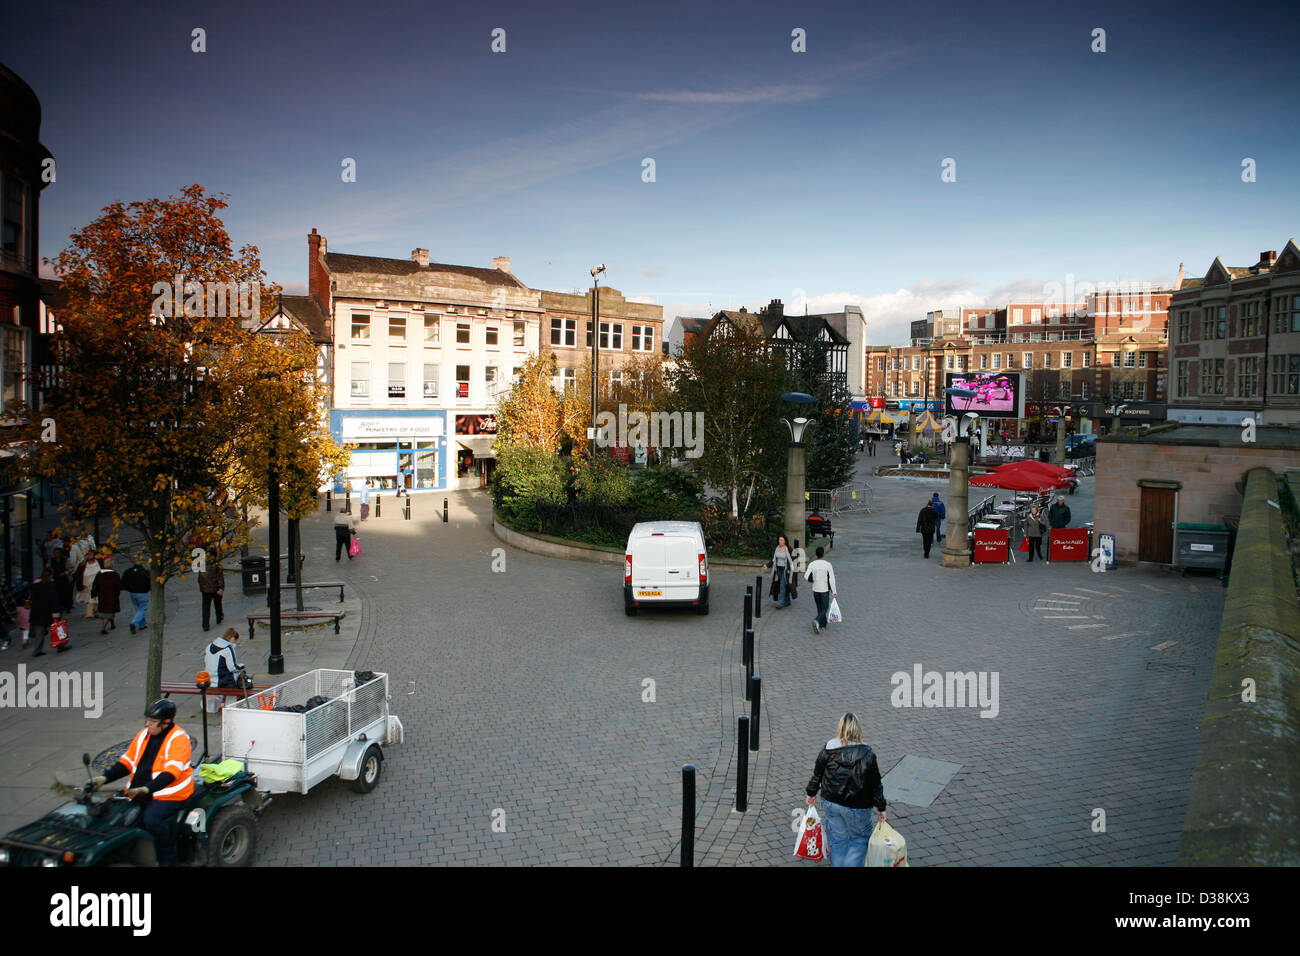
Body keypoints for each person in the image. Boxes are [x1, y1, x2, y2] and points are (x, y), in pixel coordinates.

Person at [92, 699, 194, 866]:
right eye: (147, 720)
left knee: (152, 819)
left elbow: (171, 774)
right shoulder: (143, 735)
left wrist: (147, 789)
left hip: (170, 794)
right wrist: (104, 778)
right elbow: (126, 762)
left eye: (152, 721)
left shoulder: (179, 739)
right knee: (115, 814)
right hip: (140, 789)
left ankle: (167, 860)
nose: (148, 724)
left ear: (166, 722)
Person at [804, 712, 888, 867]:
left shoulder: (828, 748)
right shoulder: (867, 754)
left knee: (837, 839)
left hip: (832, 802)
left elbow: (817, 774)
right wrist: (881, 807)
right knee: (860, 838)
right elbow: (876, 783)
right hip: (858, 806)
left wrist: (811, 793)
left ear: (840, 728)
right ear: (858, 729)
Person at [204, 628, 245, 713]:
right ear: (232, 638)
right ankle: (231, 706)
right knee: (238, 679)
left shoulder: (210, 645)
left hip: (209, 679)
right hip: (222, 682)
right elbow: (232, 667)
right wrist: (241, 666)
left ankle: (214, 705)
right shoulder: (228, 649)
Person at [804, 546, 838, 634]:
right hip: (824, 590)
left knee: (819, 607)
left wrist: (813, 580)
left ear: (816, 554)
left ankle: (823, 624)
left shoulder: (812, 564)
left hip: (815, 589)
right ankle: (817, 620)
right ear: (823, 554)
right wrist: (834, 592)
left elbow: (806, 576)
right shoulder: (828, 564)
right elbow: (831, 579)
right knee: (825, 608)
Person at [28, 567, 60, 657]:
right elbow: (54, 600)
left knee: (39, 633)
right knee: (56, 630)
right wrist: (56, 612)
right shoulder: (51, 585)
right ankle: (60, 646)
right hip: (48, 612)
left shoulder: (35, 585)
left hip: (37, 612)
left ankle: (37, 650)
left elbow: (31, 598)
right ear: (50, 575)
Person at [92, 554, 122, 634]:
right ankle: (103, 627)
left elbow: (95, 585)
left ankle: (112, 623)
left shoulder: (99, 574)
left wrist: (94, 594)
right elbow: (119, 585)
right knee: (109, 612)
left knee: (108, 610)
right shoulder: (115, 575)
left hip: (102, 595)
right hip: (112, 596)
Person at [122, 559, 151, 634]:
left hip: (132, 593)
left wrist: (128, 589)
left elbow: (123, 582)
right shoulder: (145, 572)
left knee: (138, 608)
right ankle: (134, 623)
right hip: (142, 593)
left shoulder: (128, 572)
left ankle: (142, 624)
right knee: (143, 608)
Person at [765, 535, 794, 609]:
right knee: (783, 585)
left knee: (782, 586)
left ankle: (780, 603)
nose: (780, 541)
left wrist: (790, 565)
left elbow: (794, 556)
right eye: (779, 540)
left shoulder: (789, 549)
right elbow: (773, 559)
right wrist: (766, 566)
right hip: (778, 570)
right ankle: (787, 600)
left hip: (785, 571)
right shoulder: (777, 548)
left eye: (781, 540)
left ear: (785, 541)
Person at [198, 560, 225, 632]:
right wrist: (221, 587)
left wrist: (202, 587)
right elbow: (220, 577)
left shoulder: (202, 564)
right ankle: (219, 618)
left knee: (206, 607)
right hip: (215, 588)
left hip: (205, 590)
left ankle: (205, 625)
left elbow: (200, 578)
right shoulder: (217, 564)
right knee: (218, 604)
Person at [50, 546, 74, 614]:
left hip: (65, 579)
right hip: (55, 578)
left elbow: (72, 568)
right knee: (57, 593)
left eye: (57, 553)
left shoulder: (66, 559)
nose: (56, 554)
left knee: (66, 593)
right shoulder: (51, 560)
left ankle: (67, 607)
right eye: (54, 553)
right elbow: (48, 568)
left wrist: (65, 573)